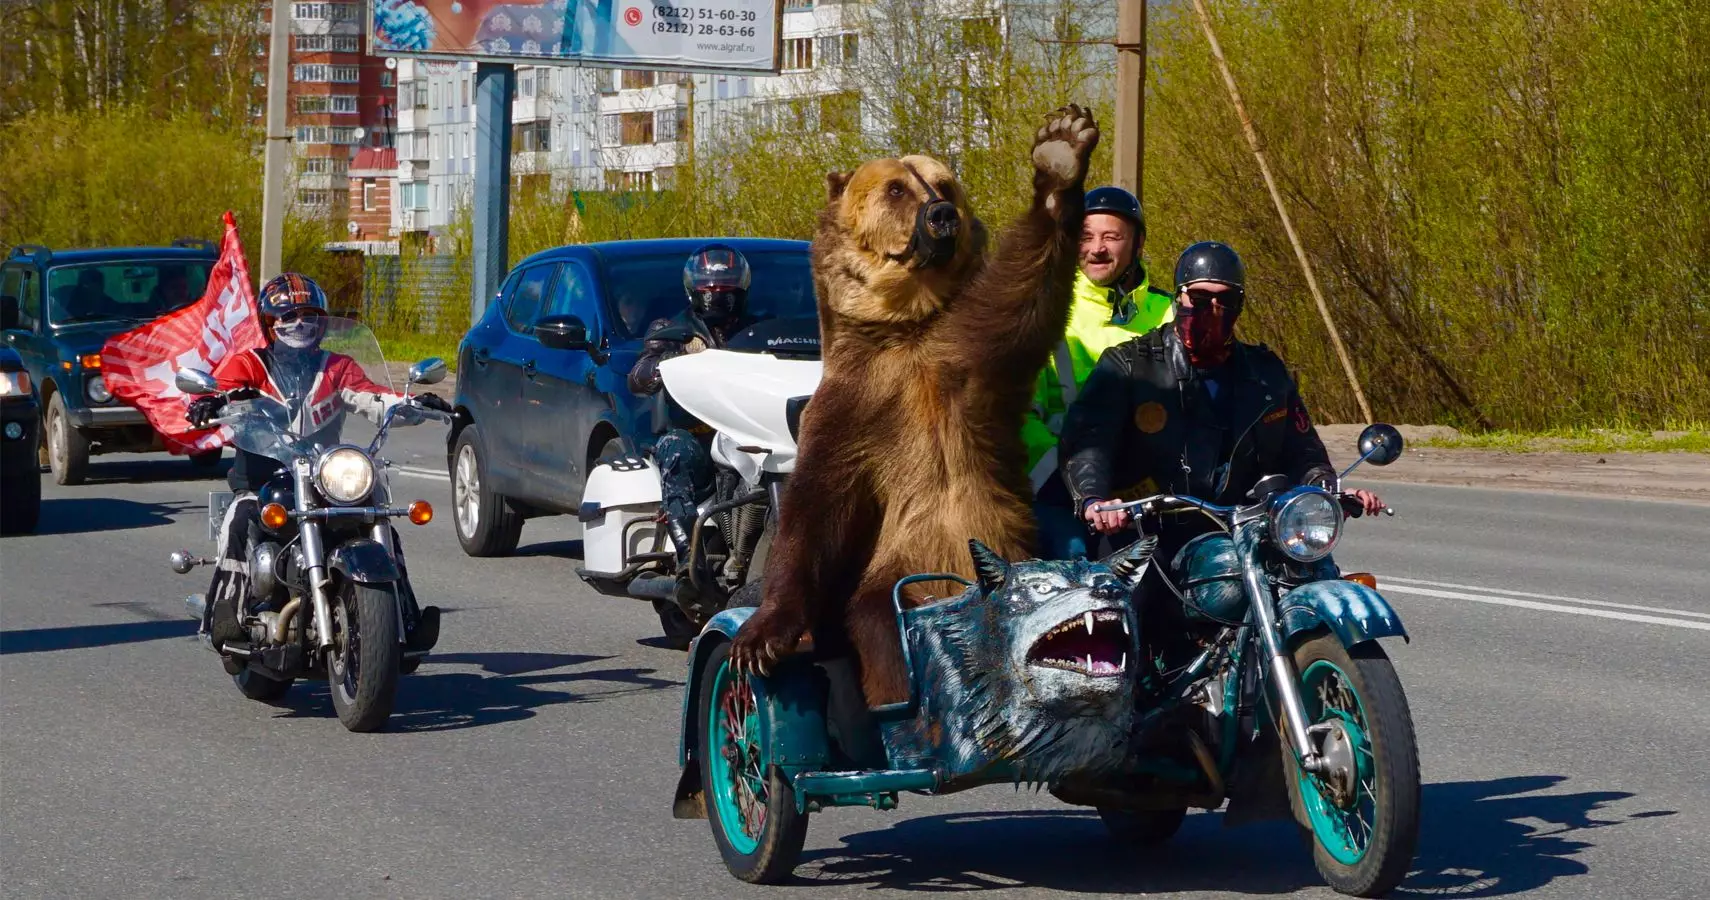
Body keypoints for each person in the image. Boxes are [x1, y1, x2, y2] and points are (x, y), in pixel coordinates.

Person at [1059, 241, 1385, 569]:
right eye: (1199, 298)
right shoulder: (1129, 366)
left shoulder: (1266, 373)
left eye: (1226, 299)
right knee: (1128, 605)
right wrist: (1095, 500)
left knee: (1318, 572)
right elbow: (1088, 441)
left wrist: (1329, 489)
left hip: (1244, 528)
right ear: (1178, 297)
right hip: (1148, 529)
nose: (1213, 308)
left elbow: (1302, 452)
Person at [186, 273, 452, 654]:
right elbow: (222, 391)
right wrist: (211, 402)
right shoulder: (250, 365)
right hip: (265, 476)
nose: (299, 322)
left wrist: (410, 404)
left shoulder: (335, 367)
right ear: (269, 324)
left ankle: (403, 616)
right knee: (241, 517)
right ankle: (226, 614)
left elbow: (372, 399)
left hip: (325, 477)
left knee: (379, 522)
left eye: (309, 314)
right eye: (288, 315)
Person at [1023, 186, 1175, 560]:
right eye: (1086, 237)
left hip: (1149, 490)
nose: (1097, 249)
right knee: (1072, 560)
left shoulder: (1170, 311)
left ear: (1137, 244)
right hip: (1061, 488)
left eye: (1112, 237)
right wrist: (1064, 479)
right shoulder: (1045, 310)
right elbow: (1020, 411)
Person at [626, 243, 757, 579]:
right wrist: (672, 362)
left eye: (726, 289)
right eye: (711, 289)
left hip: (749, 433)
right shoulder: (671, 330)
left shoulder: (758, 332)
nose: (718, 296)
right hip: (693, 436)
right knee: (676, 451)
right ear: (694, 291)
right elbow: (639, 376)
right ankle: (689, 559)